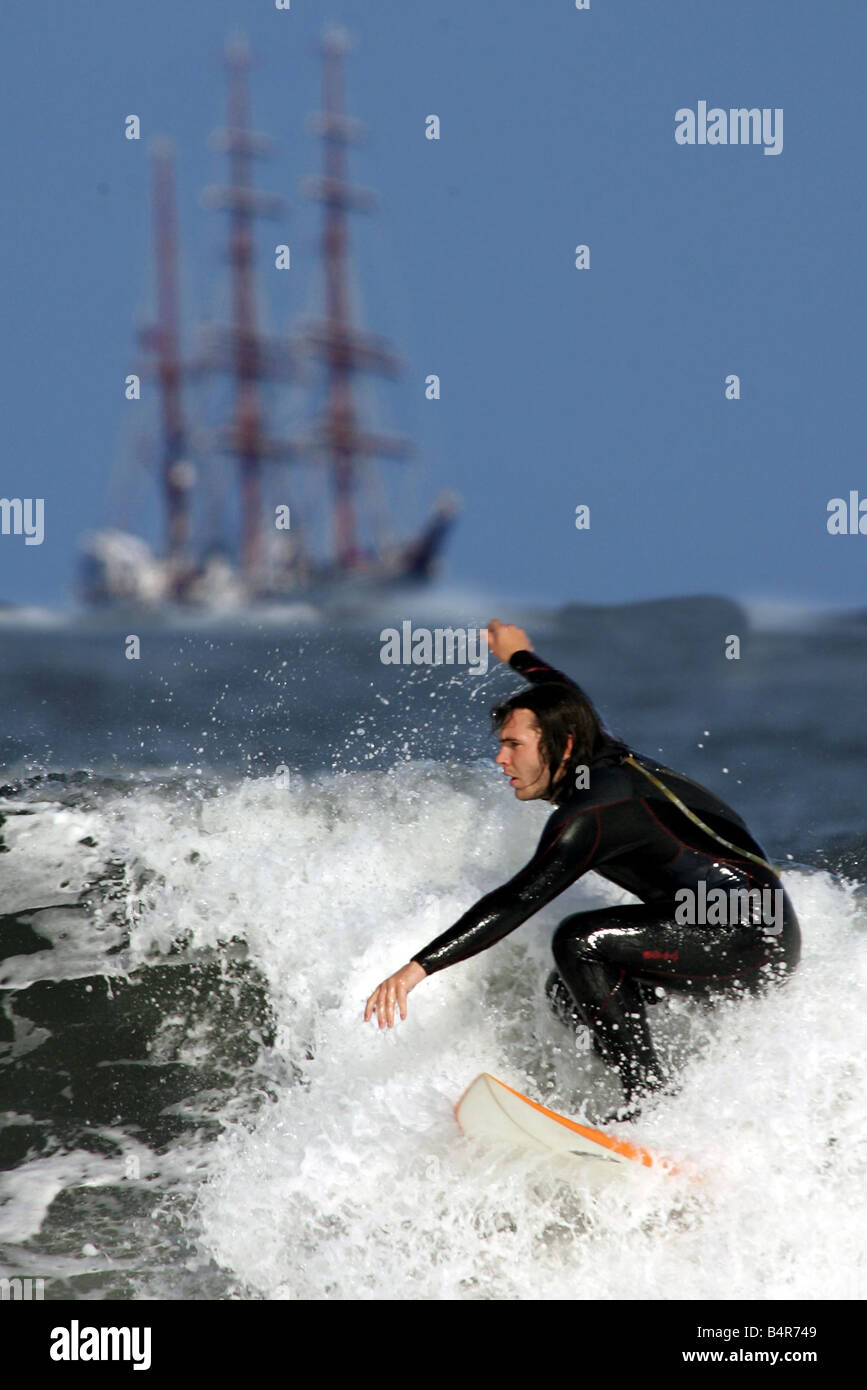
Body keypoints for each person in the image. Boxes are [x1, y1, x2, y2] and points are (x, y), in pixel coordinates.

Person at [364, 620, 801, 1119]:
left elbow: (517, 900)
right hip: (745, 926)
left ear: (563, 747)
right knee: (570, 989)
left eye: (514, 746)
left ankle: (650, 1104)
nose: (500, 759)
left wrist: (417, 968)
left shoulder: (591, 814)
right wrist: (520, 655)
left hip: (750, 939)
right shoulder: (594, 749)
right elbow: (564, 693)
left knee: (579, 941)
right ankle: (660, 1101)